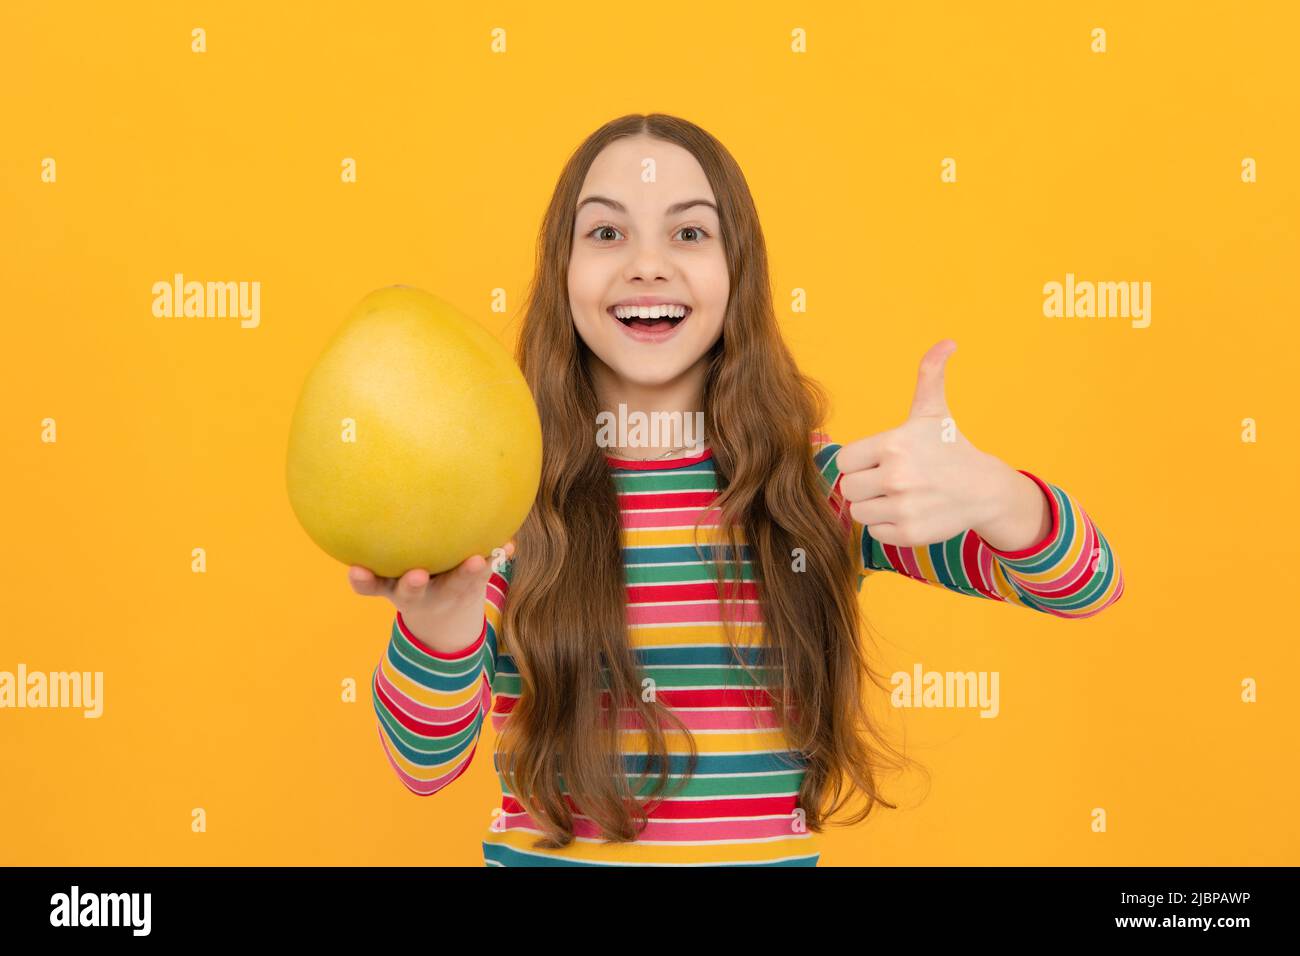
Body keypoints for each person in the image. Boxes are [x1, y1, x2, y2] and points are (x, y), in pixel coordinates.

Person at [351, 113, 1125, 866]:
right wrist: (440, 625)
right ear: (563, 272)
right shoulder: (505, 499)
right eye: (607, 232)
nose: (647, 264)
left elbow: (1087, 584)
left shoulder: (816, 490)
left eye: (689, 232)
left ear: (738, 273)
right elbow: (424, 765)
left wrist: (994, 494)